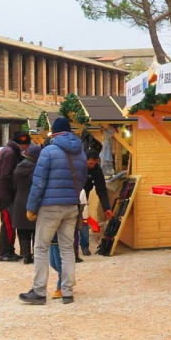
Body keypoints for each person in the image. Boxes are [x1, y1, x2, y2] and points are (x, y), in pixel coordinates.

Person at [20, 119, 88, 305]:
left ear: (54, 133)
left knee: (41, 247)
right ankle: (67, 291)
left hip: (49, 207)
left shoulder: (48, 151)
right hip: (71, 205)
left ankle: (39, 291)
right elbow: (82, 181)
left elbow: (39, 182)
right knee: (67, 249)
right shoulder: (81, 153)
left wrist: (32, 207)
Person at [0, 133, 31, 262]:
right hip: (6, 195)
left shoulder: (8, 150)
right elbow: (6, 175)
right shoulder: (10, 153)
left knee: (8, 223)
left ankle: (8, 250)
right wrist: (16, 188)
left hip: (4, 193)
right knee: (8, 225)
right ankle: (5, 252)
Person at [77, 148, 111, 258]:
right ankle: (71, 249)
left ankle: (85, 246)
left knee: (84, 222)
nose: (92, 165)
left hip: (84, 199)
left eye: (94, 163)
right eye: (90, 163)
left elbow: (101, 189)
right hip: (71, 195)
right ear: (84, 160)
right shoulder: (77, 165)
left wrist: (107, 208)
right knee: (70, 223)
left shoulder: (96, 169)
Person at [10, 144, 41, 264]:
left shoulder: (18, 167)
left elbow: (14, 185)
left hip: (19, 200)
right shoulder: (37, 169)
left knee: (23, 231)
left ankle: (26, 255)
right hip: (33, 201)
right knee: (35, 230)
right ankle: (36, 254)